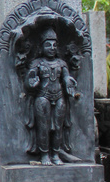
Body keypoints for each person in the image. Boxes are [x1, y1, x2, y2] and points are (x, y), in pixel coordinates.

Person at [25, 28, 81, 165]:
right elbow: (29, 79)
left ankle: (55, 154)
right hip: (42, 97)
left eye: (54, 45)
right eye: (48, 45)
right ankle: (44, 154)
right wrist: (32, 82)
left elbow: (66, 76)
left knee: (58, 127)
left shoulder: (62, 63)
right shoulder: (37, 63)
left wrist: (68, 80)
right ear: (42, 46)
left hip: (59, 96)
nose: (52, 48)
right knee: (43, 127)